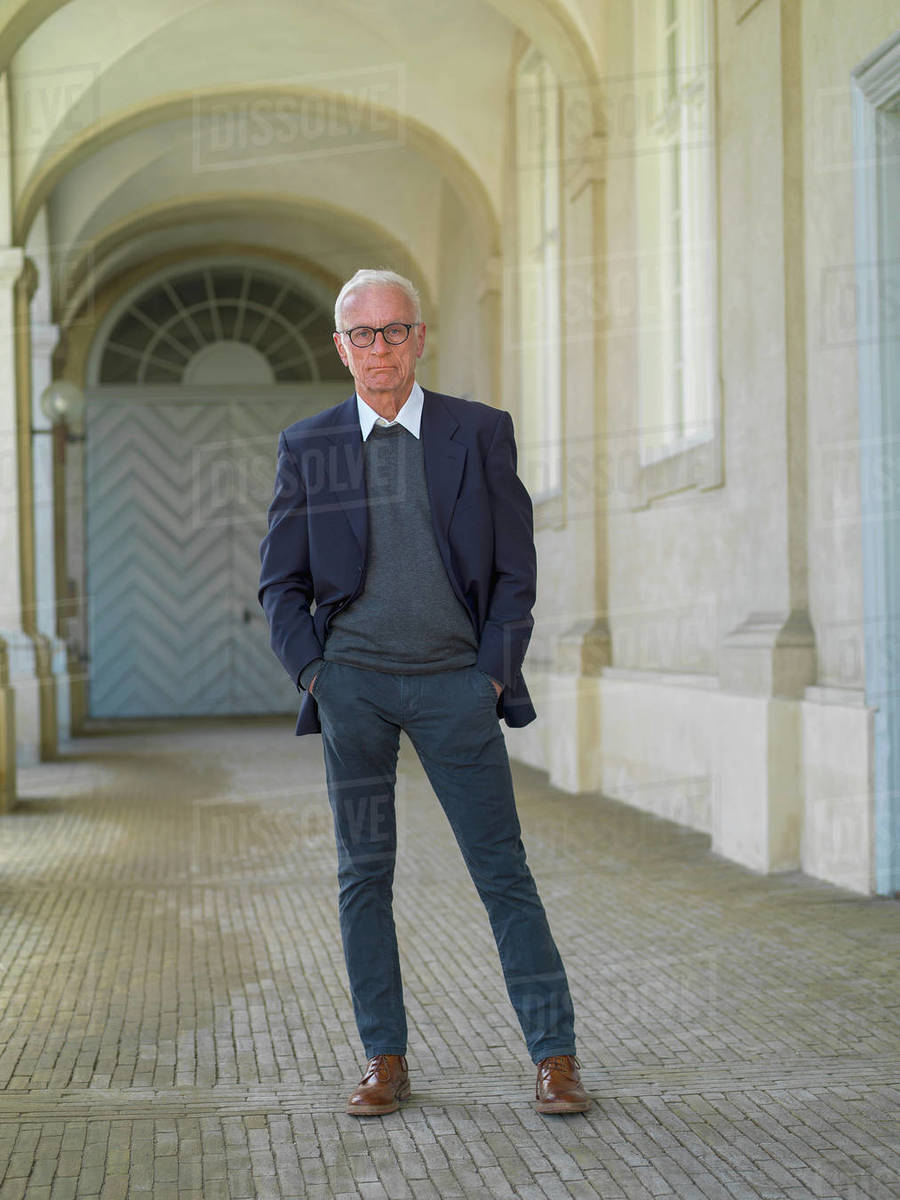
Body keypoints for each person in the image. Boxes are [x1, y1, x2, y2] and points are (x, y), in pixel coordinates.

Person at [258, 267, 589, 1116]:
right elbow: (280, 584)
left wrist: (490, 675)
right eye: (362, 335)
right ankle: (385, 1058)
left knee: (502, 872)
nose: (380, 349)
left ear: (419, 337)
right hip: (355, 695)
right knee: (364, 874)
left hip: (455, 691)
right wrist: (316, 677)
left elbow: (516, 570)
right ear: (341, 347)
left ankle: (555, 1058)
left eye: (394, 330)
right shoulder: (311, 447)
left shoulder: (477, 434)